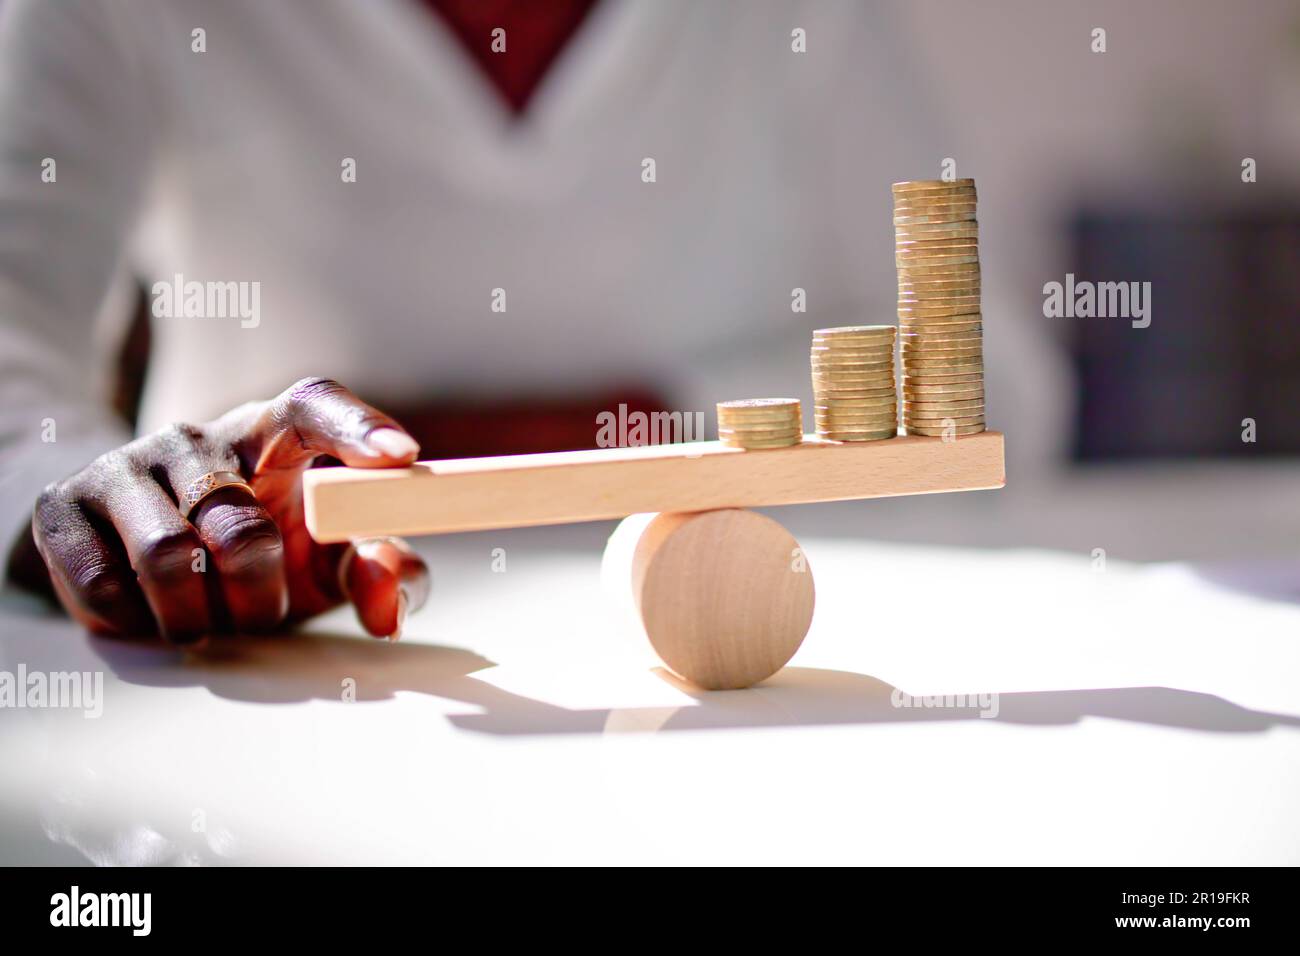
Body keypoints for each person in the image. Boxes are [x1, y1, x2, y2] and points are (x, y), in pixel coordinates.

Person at [0, 0, 972, 641]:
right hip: (258, 648)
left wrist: (512, 450)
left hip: (760, 640)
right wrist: (85, 510)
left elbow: (996, 373)